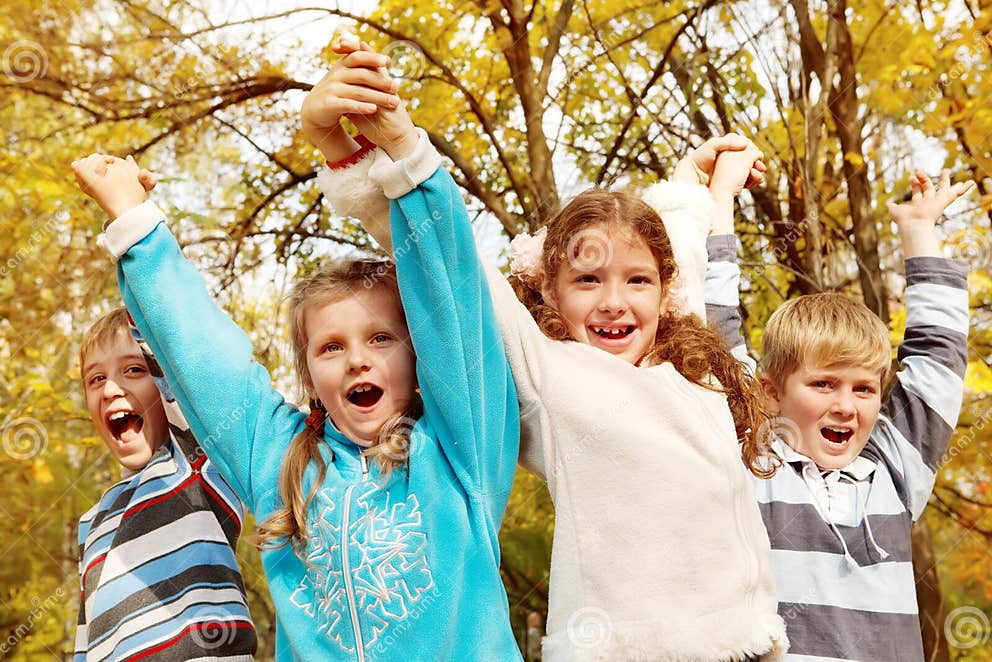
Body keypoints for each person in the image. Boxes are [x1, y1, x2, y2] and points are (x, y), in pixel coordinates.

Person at [303, 38, 787, 661]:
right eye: (588, 281)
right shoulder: (549, 375)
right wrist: (383, 147)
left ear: (665, 290)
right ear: (549, 294)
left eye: (636, 280)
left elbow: (685, 245)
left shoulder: (688, 361)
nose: (615, 302)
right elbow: (451, 269)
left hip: (752, 647)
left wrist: (703, 182)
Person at [70, 147, 522, 659]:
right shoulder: (281, 465)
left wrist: (406, 155)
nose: (356, 360)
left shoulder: (460, 452)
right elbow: (205, 361)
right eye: (331, 347)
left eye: (380, 339)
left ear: (419, 356)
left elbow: (455, 309)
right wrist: (134, 220)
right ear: (308, 375)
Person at [704, 159, 973, 660]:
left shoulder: (894, 468)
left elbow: (939, 355)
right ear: (770, 392)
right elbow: (715, 329)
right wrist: (719, 202)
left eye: (864, 390)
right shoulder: (754, 458)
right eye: (823, 384)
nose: (846, 406)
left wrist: (918, 232)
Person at [75, 307, 256, 660]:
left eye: (134, 370)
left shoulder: (196, 470)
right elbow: (88, 641)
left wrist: (135, 270)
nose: (111, 388)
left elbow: (180, 363)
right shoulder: (91, 522)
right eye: (96, 379)